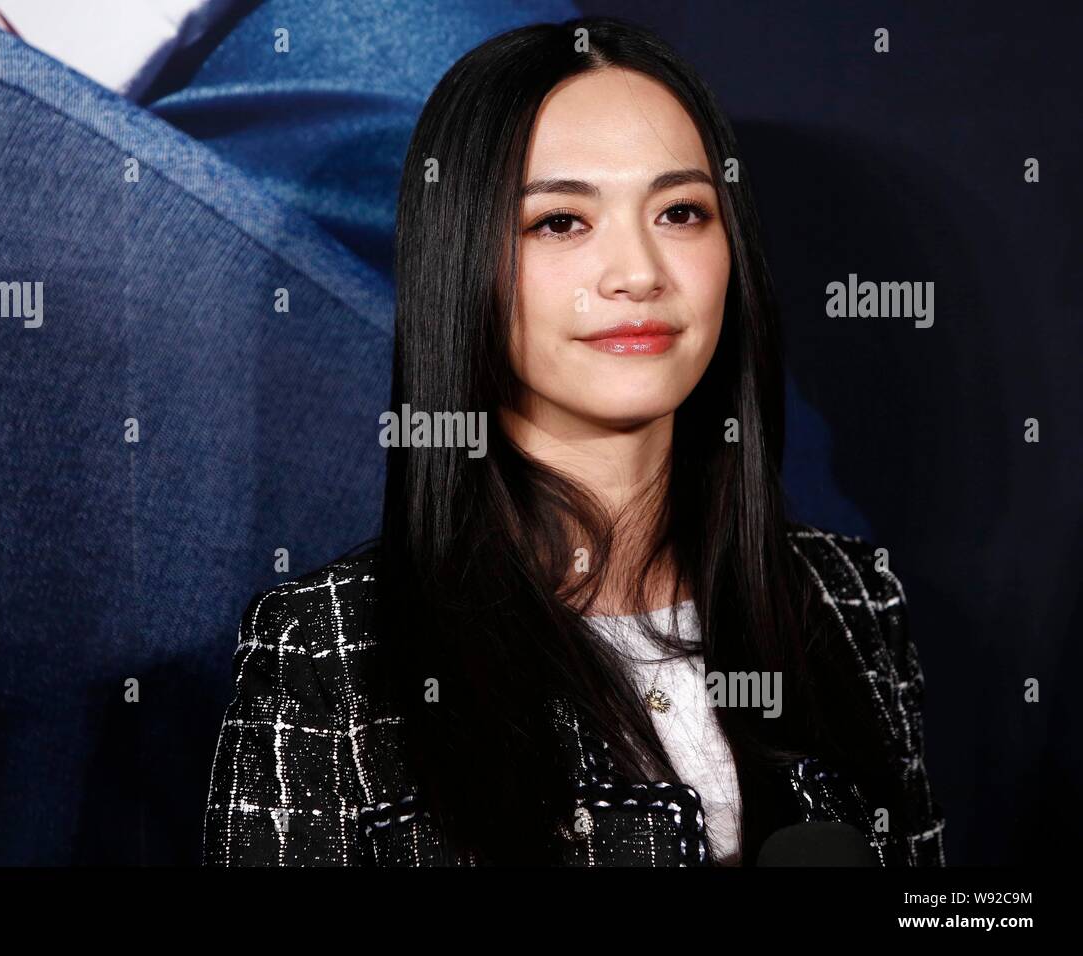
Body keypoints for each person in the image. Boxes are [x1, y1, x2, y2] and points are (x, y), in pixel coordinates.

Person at [202, 15, 946, 867]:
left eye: (680, 212)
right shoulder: (329, 652)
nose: (638, 273)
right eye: (560, 221)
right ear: (463, 258)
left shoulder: (848, 601)